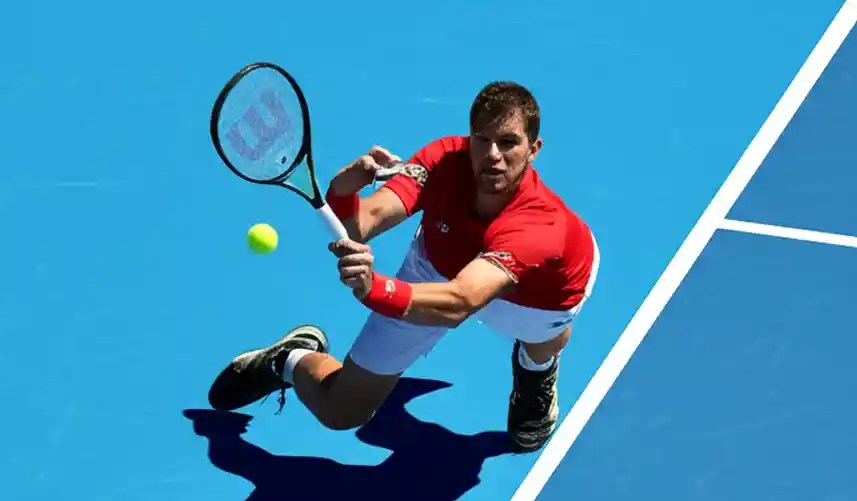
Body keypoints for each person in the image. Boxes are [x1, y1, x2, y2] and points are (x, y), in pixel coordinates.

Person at [206, 80, 599, 453]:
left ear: (534, 149)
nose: (493, 155)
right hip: (440, 268)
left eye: (509, 142)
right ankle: (288, 359)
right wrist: (346, 189)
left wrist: (374, 289)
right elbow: (362, 224)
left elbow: (461, 300)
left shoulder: (539, 225)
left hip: (535, 300)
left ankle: (537, 368)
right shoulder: (445, 159)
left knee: (546, 336)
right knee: (342, 412)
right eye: (483, 140)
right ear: (469, 139)